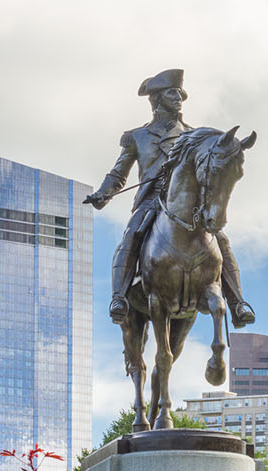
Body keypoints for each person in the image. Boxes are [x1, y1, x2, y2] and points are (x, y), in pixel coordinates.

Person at [84, 69, 254, 328]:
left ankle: (238, 303)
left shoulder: (194, 135)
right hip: (152, 200)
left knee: (221, 240)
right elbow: (119, 173)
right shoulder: (137, 136)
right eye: (171, 93)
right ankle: (119, 298)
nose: (178, 98)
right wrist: (103, 194)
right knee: (131, 235)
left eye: (180, 94)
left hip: (188, 203)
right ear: (156, 99)